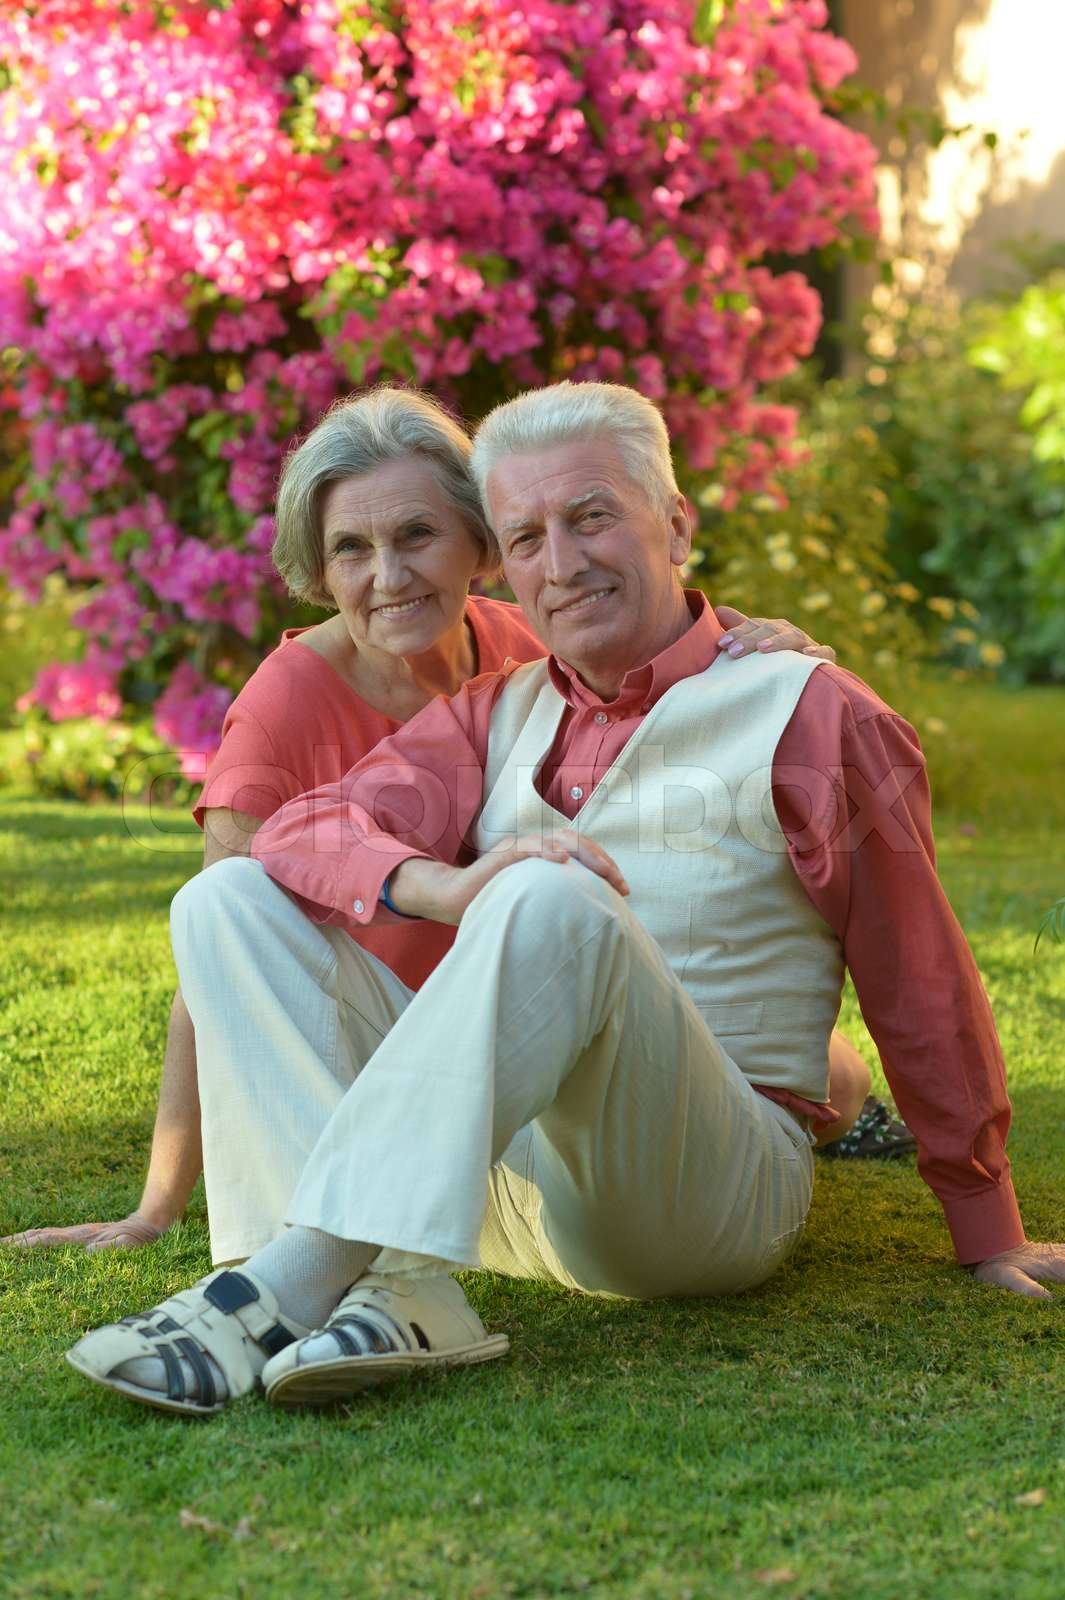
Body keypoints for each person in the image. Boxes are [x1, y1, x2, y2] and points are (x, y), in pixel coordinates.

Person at [66, 379, 1063, 1417]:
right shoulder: (500, 708)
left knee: (551, 887)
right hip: (505, 1192)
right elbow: (298, 829)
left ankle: (282, 1287)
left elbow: (919, 974)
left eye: (592, 517)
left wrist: (985, 1219)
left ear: (676, 524)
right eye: (528, 536)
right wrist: (440, 883)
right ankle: (400, 1287)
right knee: (226, 898)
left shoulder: (811, 712)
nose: (563, 562)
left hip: (701, 1196)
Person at [3, 386, 860, 1260]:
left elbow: (650, 653)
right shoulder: (285, 707)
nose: (388, 576)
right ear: (321, 568)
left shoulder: (529, 646)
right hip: (388, 1026)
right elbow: (218, 961)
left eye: (416, 535)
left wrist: (742, 641)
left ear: (477, 540)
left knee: (836, 1074)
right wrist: (156, 1208)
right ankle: (324, 1261)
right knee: (231, 897)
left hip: (552, 997)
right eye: (350, 550)